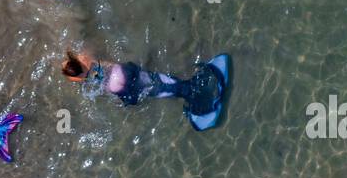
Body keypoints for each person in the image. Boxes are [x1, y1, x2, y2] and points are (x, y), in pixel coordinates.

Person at [61, 49, 231, 131]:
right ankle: (199, 84)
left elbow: (79, 80)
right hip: (119, 72)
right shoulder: (83, 57)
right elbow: (90, 55)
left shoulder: (76, 77)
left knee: (152, 90)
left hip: (113, 86)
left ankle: (197, 105)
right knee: (155, 80)